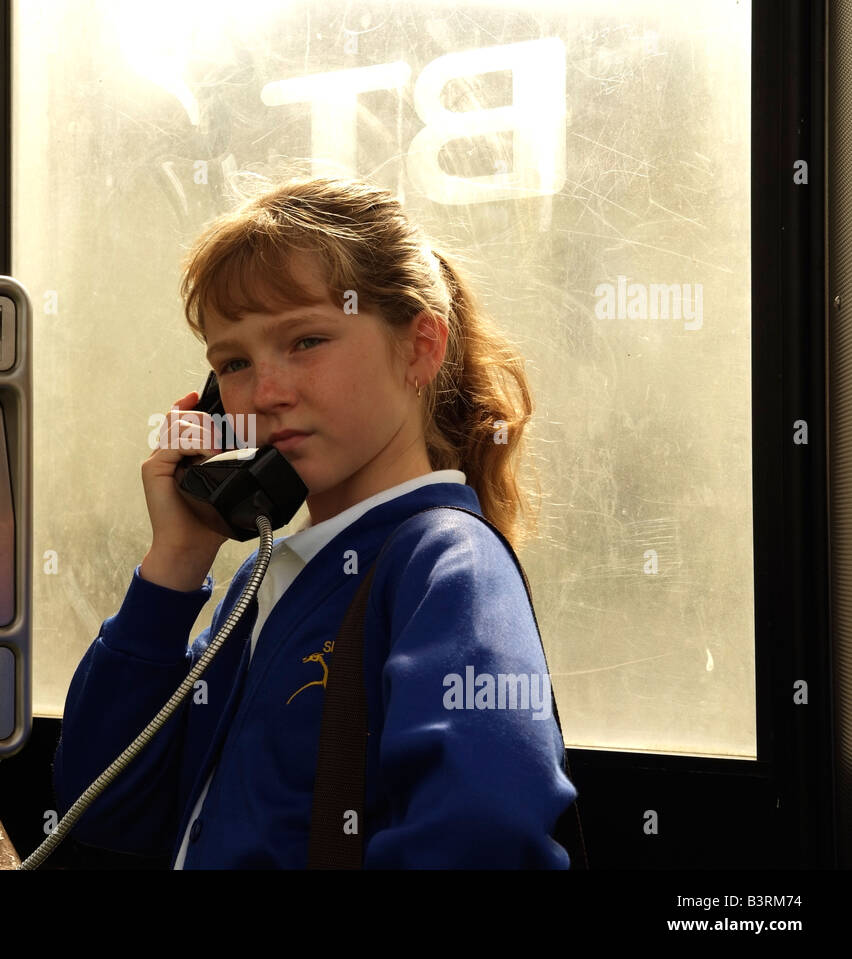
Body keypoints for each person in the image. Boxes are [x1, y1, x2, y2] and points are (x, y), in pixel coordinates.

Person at [52, 176, 577, 868]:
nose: (266, 392)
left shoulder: (447, 566)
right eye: (234, 361)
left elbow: (483, 837)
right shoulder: (262, 579)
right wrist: (178, 559)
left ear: (420, 347)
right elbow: (101, 808)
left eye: (305, 341)